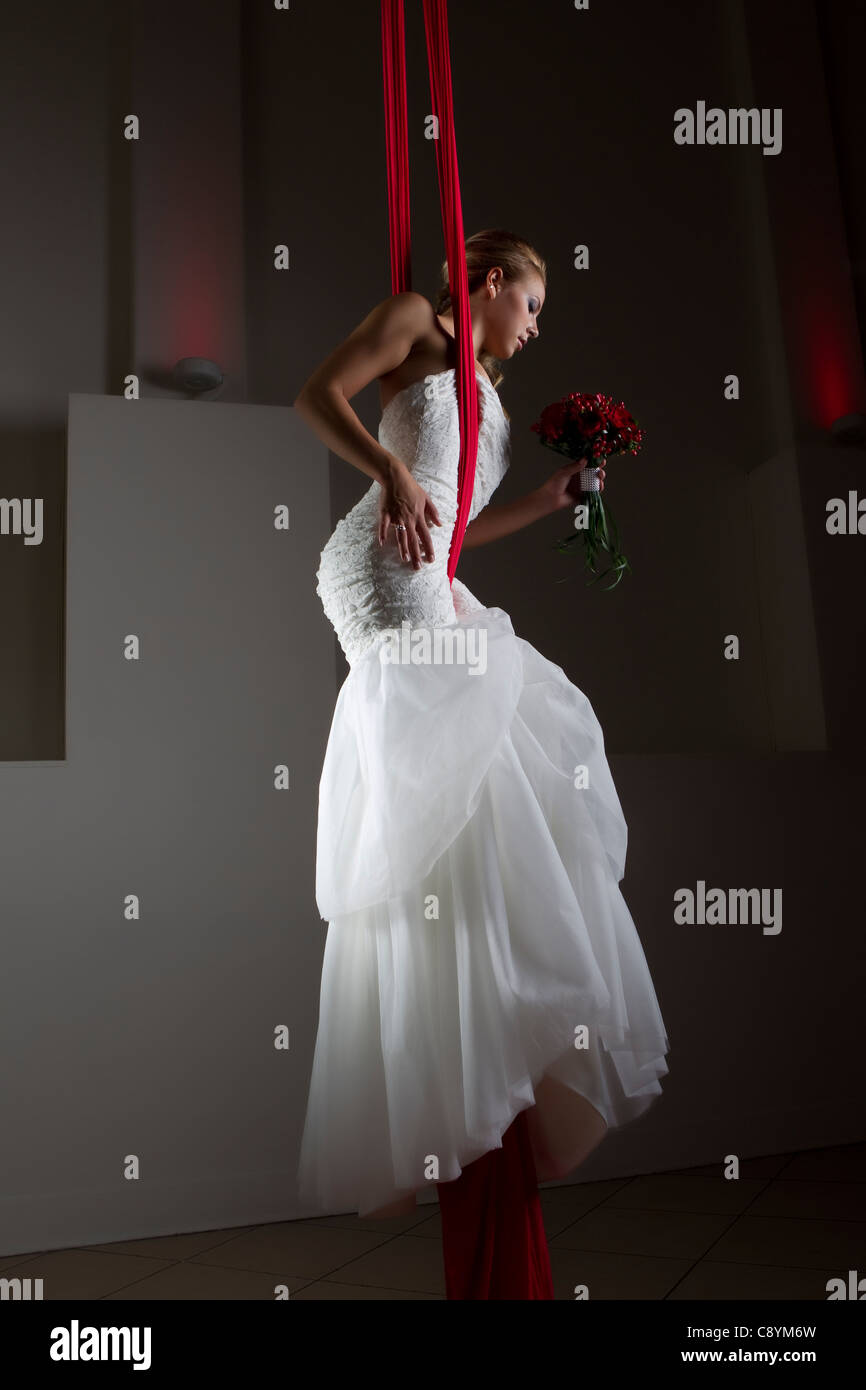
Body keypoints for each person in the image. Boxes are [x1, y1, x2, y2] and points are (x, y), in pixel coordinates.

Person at [293, 229, 670, 1299]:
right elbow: (315, 396)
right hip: (378, 575)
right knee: (462, 785)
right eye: (533, 303)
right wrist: (389, 470)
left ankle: (489, 1059)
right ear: (491, 282)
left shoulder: (487, 390)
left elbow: (453, 530)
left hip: (432, 572)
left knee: (494, 799)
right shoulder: (418, 321)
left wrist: (543, 506)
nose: (536, 325)